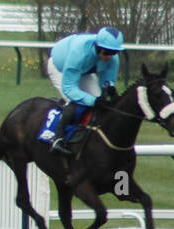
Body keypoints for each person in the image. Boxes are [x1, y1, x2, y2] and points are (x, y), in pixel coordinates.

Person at [45, 26, 123, 155]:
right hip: (60, 68)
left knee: (99, 100)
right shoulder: (80, 53)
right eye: (107, 52)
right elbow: (69, 88)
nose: (110, 56)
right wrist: (94, 101)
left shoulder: (113, 57)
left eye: (113, 53)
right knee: (75, 102)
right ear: (98, 47)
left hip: (85, 71)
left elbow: (107, 81)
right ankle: (58, 139)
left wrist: (110, 92)